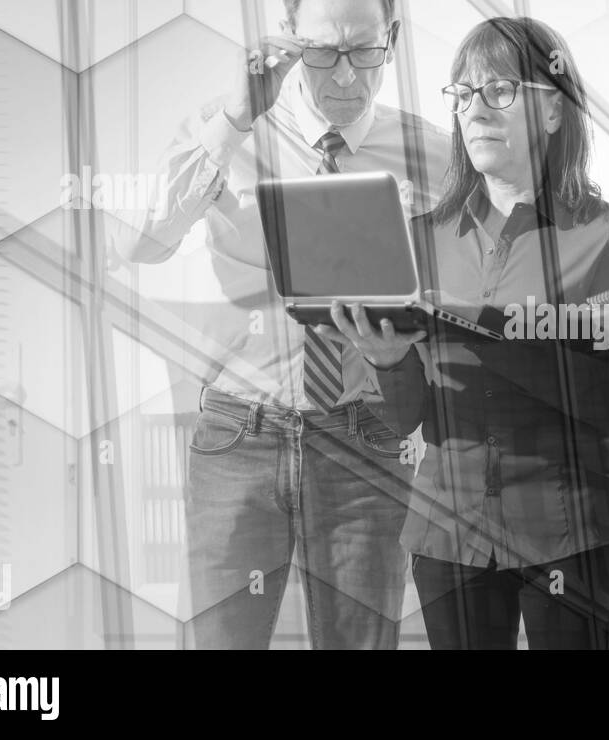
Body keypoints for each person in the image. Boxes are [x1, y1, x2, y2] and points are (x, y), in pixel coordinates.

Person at [115, 0, 450, 649]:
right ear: (291, 40)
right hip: (239, 439)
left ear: (394, 39)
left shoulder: (430, 154)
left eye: (365, 51)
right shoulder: (221, 129)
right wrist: (236, 119)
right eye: (324, 53)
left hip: (365, 441)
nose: (346, 77)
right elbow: (141, 242)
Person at [318, 17, 609, 650]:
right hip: (448, 534)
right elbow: (403, 420)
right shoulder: (416, 239)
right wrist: (389, 362)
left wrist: (471, 326)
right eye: (462, 95)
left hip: (570, 529)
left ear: (553, 113)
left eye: (499, 90)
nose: (476, 109)